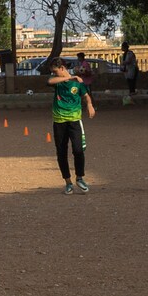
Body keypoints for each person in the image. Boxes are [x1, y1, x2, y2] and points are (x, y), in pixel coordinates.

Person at [49, 57, 99, 194]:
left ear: (62, 68)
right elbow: (50, 81)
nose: (54, 74)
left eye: (55, 71)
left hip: (75, 120)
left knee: (78, 150)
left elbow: (86, 95)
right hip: (59, 121)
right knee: (61, 153)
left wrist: (89, 105)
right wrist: (68, 78)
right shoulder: (58, 82)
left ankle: (80, 178)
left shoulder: (78, 83)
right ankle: (68, 182)